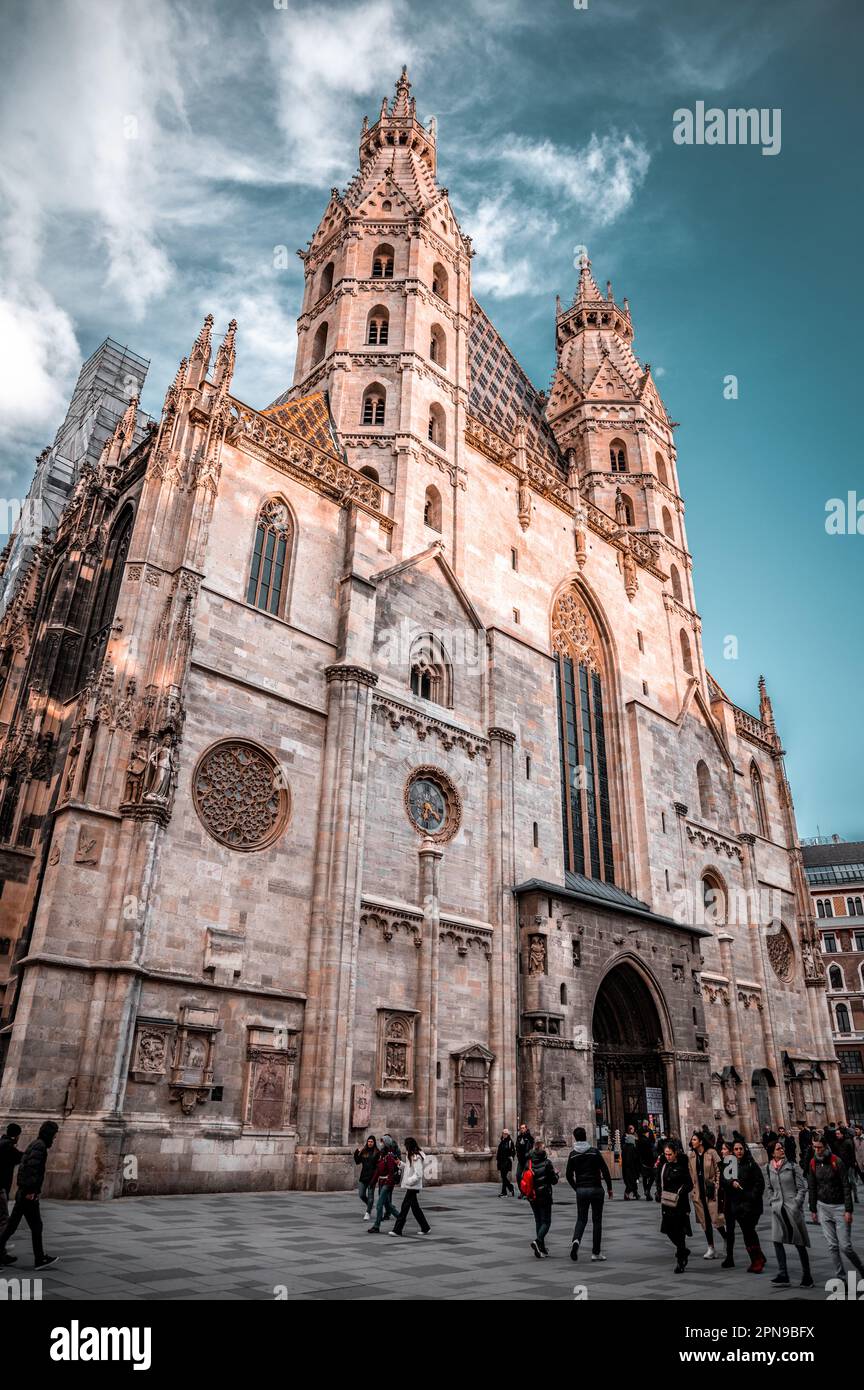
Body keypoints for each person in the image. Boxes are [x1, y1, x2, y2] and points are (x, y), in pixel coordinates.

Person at [0, 1120, 60, 1269]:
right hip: (28, 1194)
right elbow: (30, 1170)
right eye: (54, 1135)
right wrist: (30, 1192)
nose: (54, 1138)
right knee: (35, 1226)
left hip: (24, 1193)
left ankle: (39, 1259)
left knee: (12, 1226)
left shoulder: (36, 1145)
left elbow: (24, 1167)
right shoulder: (39, 1147)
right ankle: (39, 1259)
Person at [807, 1134, 864, 1281]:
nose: (817, 1150)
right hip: (823, 1207)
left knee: (845, 1246)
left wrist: (848, 1210)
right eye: (814, 1147)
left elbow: (846, 1186)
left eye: (819, 1147)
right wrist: (813, 1209)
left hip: (839, 1207)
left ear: (825, 1146)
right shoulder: (813, 1162)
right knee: (832, 1246)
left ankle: (862, 1270)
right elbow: (812, 1187)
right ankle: (841, 1277)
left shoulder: (836, 1161)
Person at [765, 1139, 813, 1287]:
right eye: (778, 1149)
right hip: (777, 1208)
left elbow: (802, 1187)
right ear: (772, 1152)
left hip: (792, 1207)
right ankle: (783, 1274)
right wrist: (772, 1201)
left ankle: (807, 1276)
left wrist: (796, 1203)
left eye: (782, 1148)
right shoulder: (769, 1167)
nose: (782, 1150)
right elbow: (769, 1187)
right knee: (777, 1241)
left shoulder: (792, 1166)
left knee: (799, 1242)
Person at [566, 1125, 613, 1262]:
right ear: (585, 1136)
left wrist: (577, 1188)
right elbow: (605, 1170)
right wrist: (609, 1188)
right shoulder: (594, 1152)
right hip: (596, 1189)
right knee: (597, 1221)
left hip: (581, 1190)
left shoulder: (573, 1154)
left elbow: (569, 1175)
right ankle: (596, 1252)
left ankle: (576, 1241)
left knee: (581, 1219)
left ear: (575, 1138)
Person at [720, 1138, 766, 1272]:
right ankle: (758, 1258)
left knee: (749, 1232)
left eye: (740, 1149)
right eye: (736, 1149)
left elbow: (759, 1184)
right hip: (738, 1205)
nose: (739, 1151)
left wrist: (751, 1196)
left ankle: (757, 1260)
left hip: (751, 1205)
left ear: (744, 1149)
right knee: (748, 1233)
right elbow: (725, 1180)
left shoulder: (751, 1164)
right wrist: (731, 1183)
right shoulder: (732, 1164)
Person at [688, 1130, 723, 1259]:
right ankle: (711, 1247)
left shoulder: (711, 1153)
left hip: (711, 1191)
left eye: (694, 1140)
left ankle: (726, 1239)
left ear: (701, 1141)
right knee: (705, 1222)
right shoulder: (692, 1155)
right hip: (699, 1193)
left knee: (716, 1220)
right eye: (692, 1140)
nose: (692, 1142)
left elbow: (719, 1169)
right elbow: (691, 1173)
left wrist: (717, 1185)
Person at [659, 1140, 693, 1272]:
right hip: (667, 1203)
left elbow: (689, 1184)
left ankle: (680, 1261)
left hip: (680, 1204)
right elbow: (660, 1180)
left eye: (669, 1154)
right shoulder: (665, 1165)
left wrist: (680, 1191)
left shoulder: (682, 1165)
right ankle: (683, 1250)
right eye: (666, 1154)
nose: (667, 1156)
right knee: (668, 1230)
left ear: (675, 1153)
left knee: (680, 1232)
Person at [524, 1137, 558, 1258]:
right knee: (546, 1222)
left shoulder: (529, 1162)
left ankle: (541, 1249)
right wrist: (556, 1175)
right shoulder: (547, 1163)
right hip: (544, 1195)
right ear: (542, 1150)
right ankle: (537, 1241)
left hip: (532, 1195)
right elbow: (553, 1181)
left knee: (538, 1220)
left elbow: (524, 1177)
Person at [389, 1137, 430, 1237]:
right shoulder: (411, 1155)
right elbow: (408, 1168)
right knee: (415, 1208)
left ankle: (397, 1230)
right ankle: (425, 1227)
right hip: (412, 1186)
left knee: (404, 1208)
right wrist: (400, 1163)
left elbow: (418, 1174)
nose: (404, 1147)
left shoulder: (416, 1156)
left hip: (413, 1186)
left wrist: (409, 1181)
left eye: (405, 1145)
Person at [367, 1136, 400, 1232]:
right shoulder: (382, 1154)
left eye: (382, 1142)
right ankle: (400, 1217)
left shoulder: (389, 1156)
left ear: (386, 1143)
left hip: (386, 1183)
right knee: (388, 1204)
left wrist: (389, 1183)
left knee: (379, 1204)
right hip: (381, 1182)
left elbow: (391, 1171)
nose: (381, 1143)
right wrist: (372, 1182)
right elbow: (378, 1170)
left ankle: (376, 1226)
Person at [0, 1123, 23, 1239]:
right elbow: (20, 1157)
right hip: (1, 1187)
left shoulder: (3, 1143)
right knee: (3, 1220)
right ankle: (1, 1250)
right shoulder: (8, 1147)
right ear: (16, 1135)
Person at [353, 1135, 380, 1220]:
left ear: (374, 1143)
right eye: (368, 1141)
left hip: (372, 1177)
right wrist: (356, 1152)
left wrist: (376, 1177)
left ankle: (368, 1212)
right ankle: (370, 1204)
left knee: (371, 1195)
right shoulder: (364, 1151)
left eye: (371, 1142)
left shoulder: (377, 1152)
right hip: (363, 1177)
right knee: (361, 1194)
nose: (370, 1143)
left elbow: (378, 1166)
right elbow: (357, 1161)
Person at [636, 1127, 657, 1199]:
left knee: (645, 1177)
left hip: (642, 1162)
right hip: (649, 1162)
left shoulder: (638, 1141)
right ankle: (648, 1190)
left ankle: (646, 1191)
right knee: (653, 1176)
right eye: (648, 1133)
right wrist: (653, 1161)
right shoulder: (647, 1141)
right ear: (645, 1133)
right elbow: (651, 1152)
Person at [621, 1124, 640, 1199]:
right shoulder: (632, 1147)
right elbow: (635, 1158)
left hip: (626, 1167)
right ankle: (627, 1193)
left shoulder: (625, 1147)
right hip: (631, 1167)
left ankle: (635, 1193)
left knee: (631, 1181)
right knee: (632, 1181)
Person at [515, 1123, 533, 1198]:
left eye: (523, 1128)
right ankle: (522, 1191)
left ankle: (527, 1192)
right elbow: (517, 1146)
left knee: (525, 1177)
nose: (521, 1129)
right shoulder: (519, 1137)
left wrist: (528, 1155)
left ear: (526, 1129)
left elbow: (531, 1148)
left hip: (527, 1159)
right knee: (518, 1175)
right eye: (521, 1128)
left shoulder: (530, 1138)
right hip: (520, 1159)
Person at [496, 1129, 516, 1197]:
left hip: (507, 1162)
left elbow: (513, 1152)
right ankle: (510, 1188)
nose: (504, 1135)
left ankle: (504, 1192)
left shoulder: (510, 1142)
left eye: (506, 1134)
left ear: (508, 1134)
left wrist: (511, 1156)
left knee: (504, 1176)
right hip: (501, 1161)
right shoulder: (502, 1141)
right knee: (503, 1176)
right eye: (503, 1133)